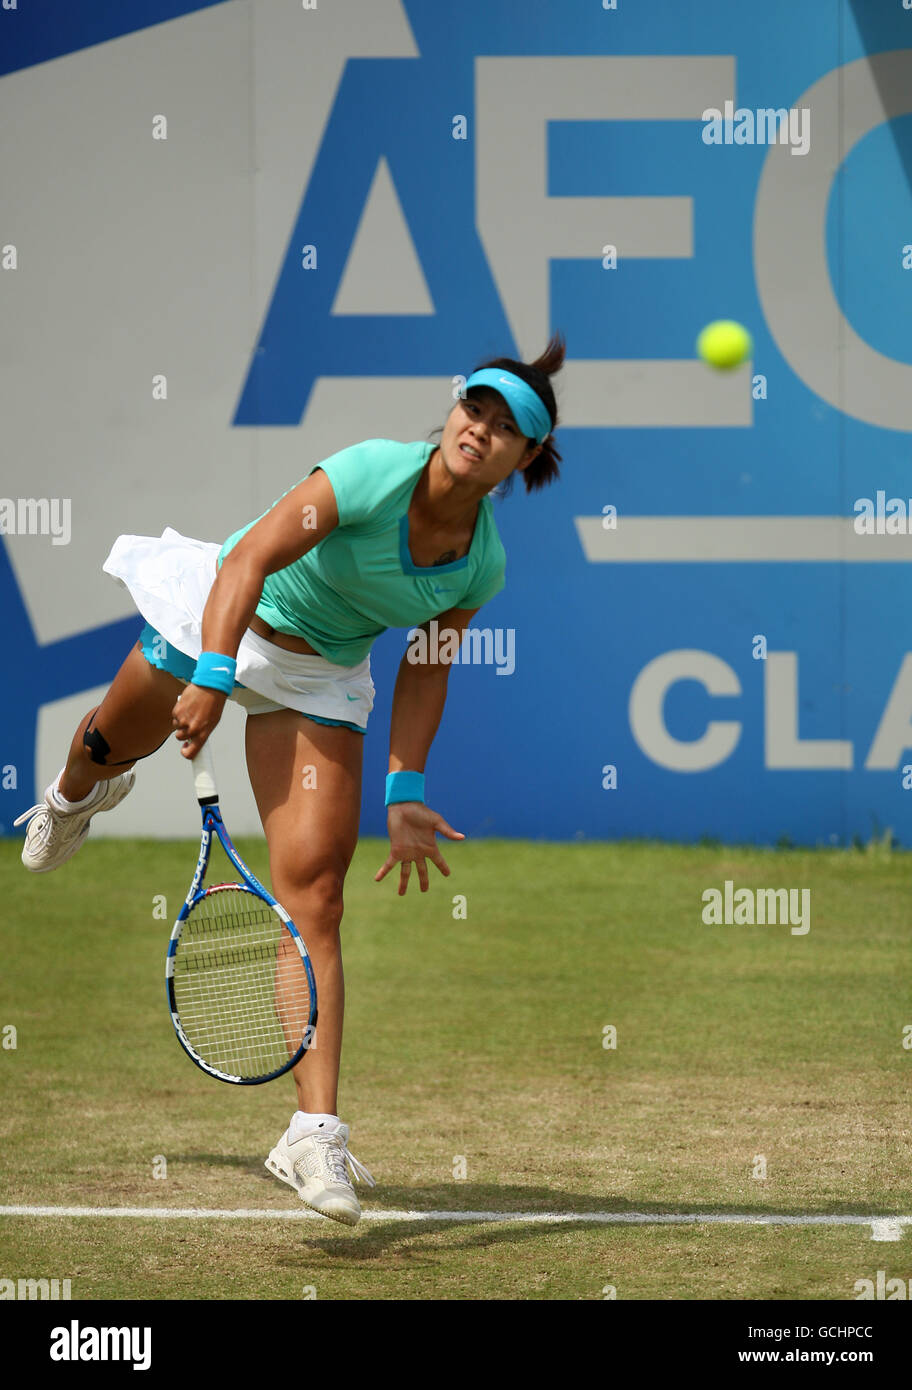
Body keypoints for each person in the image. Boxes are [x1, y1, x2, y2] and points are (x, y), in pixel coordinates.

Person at [14, 333, 566, 1225]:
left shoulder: (479, 563)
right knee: (104, 746)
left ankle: (313, 1133)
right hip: (229, 618)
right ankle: (76, 797)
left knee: (315, 895)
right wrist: (215, 674)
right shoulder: (371, 474)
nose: (481, 432)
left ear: (525, 457)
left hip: (320, 679)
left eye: (506, 429)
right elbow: (249, 560)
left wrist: (403, 787)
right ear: (453, 409)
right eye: (475, 410)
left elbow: (426, 664)